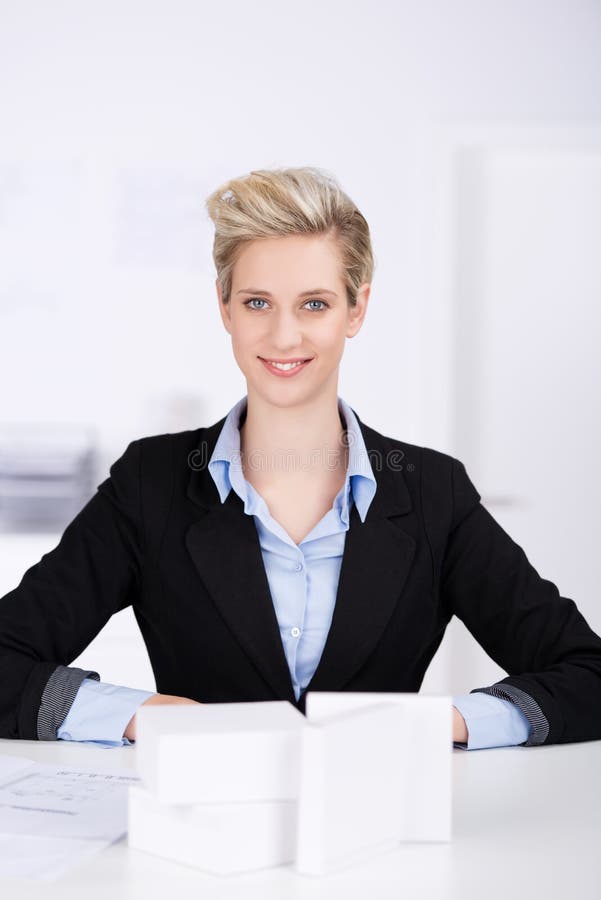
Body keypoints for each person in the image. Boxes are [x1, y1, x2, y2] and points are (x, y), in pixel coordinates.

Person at [1, 166, 600, 751]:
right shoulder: (149, 483)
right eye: (257, 303)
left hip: (377, 813)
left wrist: (441, 723)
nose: (284, 336)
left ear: (356, 310)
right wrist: (143, 715)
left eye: (314, 304)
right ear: (225, 308)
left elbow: (588, 674)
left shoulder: (431, 492)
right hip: (202, 813)